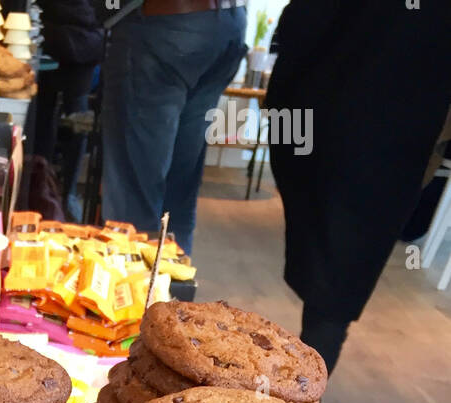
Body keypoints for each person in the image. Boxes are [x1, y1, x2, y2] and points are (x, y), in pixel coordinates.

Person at [267, 0, 451, 374]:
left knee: (329, 282)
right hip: (400, 136)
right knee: (338, 284)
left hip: (326, 114)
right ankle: (300, 390)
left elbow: (301, 22)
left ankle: (298, 393)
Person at [101, 0, 247, 253]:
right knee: (180, 182)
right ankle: (173, 285)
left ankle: (136, 284)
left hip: (166, 20)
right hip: (228, 21)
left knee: (135, 185)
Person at [35, 0, 104, 219]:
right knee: (76, 118)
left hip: (52, 36)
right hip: (85, 41)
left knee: (45, 117)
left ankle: (41, 188)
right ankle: (67, 193)